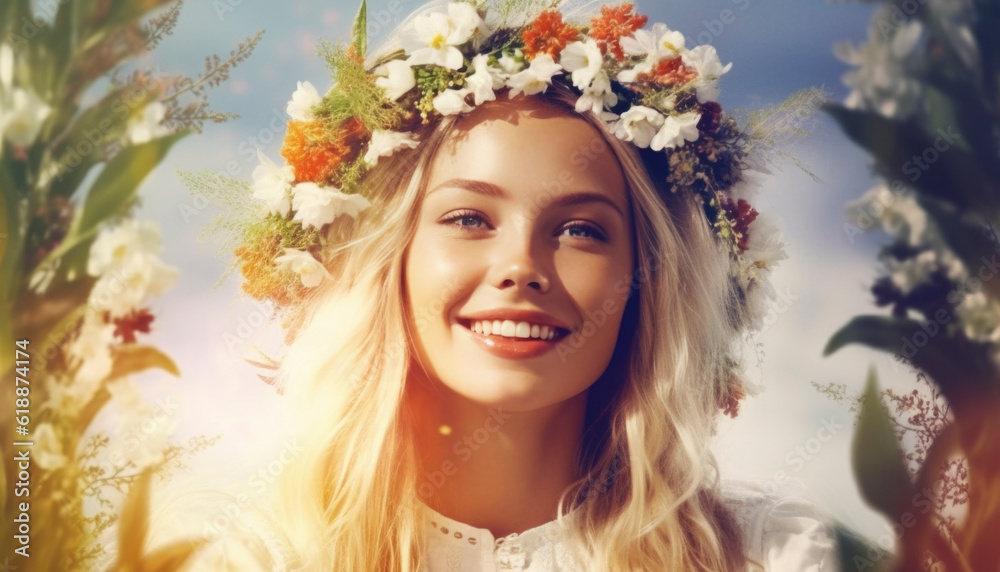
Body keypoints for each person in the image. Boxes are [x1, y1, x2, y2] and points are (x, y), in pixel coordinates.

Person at [178, 0, 841, 569]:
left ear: (645, 281)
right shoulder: (259, 556)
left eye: (582, 229)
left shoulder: (765, 554)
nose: (521, 264)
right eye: (468, 218)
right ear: (391, 261)